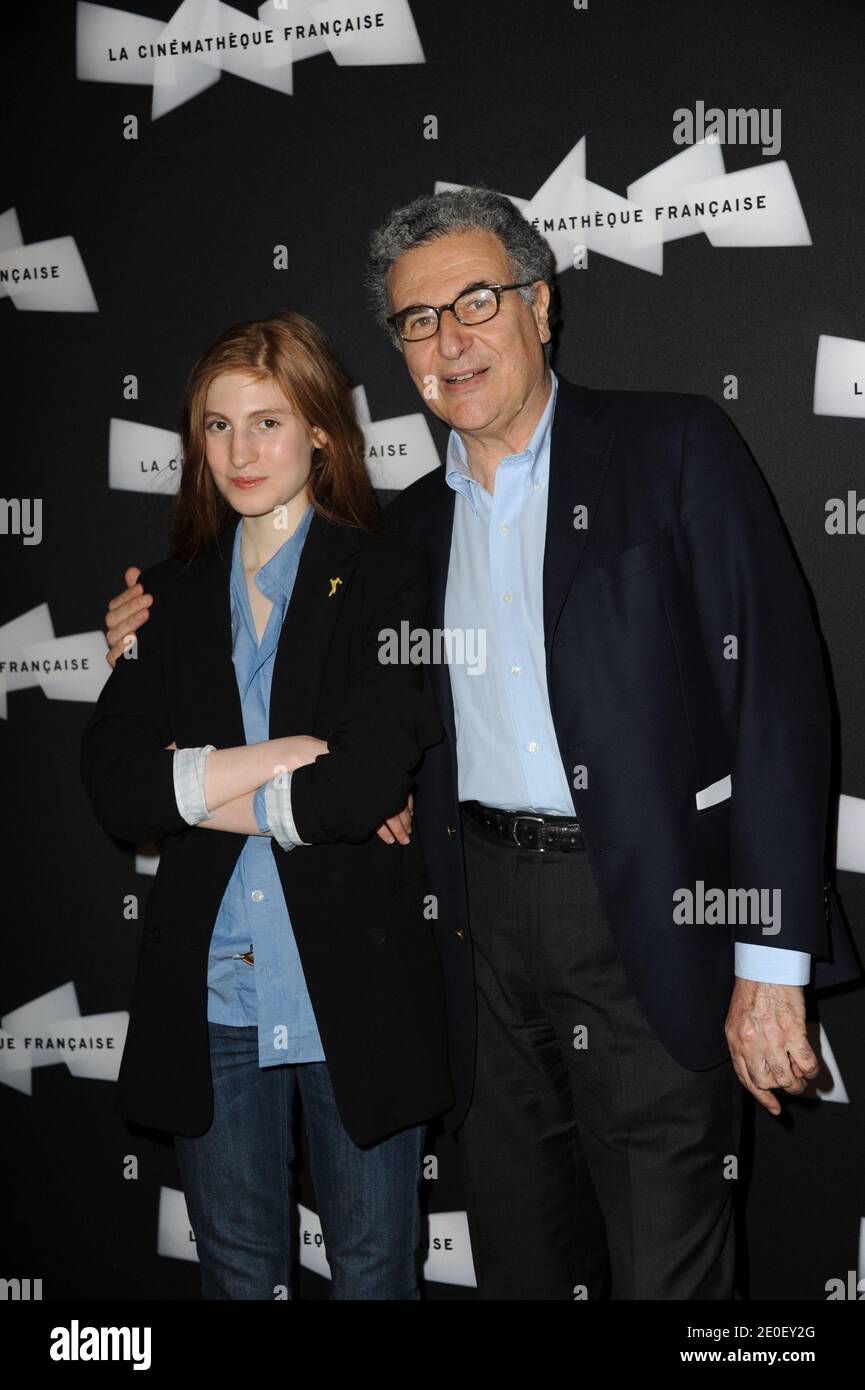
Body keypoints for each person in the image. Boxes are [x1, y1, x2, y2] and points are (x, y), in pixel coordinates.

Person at [100, 189, 862, 1301]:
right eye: (416, 321)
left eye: (475, 302)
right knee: (517, 1262)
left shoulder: (672, 447)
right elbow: (329, 707)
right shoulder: (400, 533)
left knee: (669, 1273)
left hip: (649, 920)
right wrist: (143, 621)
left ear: (539, 308)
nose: (449, 341)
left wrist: (770, 964)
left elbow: (779, 711)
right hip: (469, 938)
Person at [81, 309, 452, 1301]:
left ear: (321, 430)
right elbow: (117, 789)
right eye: (216, 425)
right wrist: (278, 758)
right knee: (236, 1274)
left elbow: (363, 786)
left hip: (352, 997)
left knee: (375, 1273)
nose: (241, 452)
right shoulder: (162, 597)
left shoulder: (384, 576)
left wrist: (196, 779)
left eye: (269, 422)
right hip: (214, 1000)